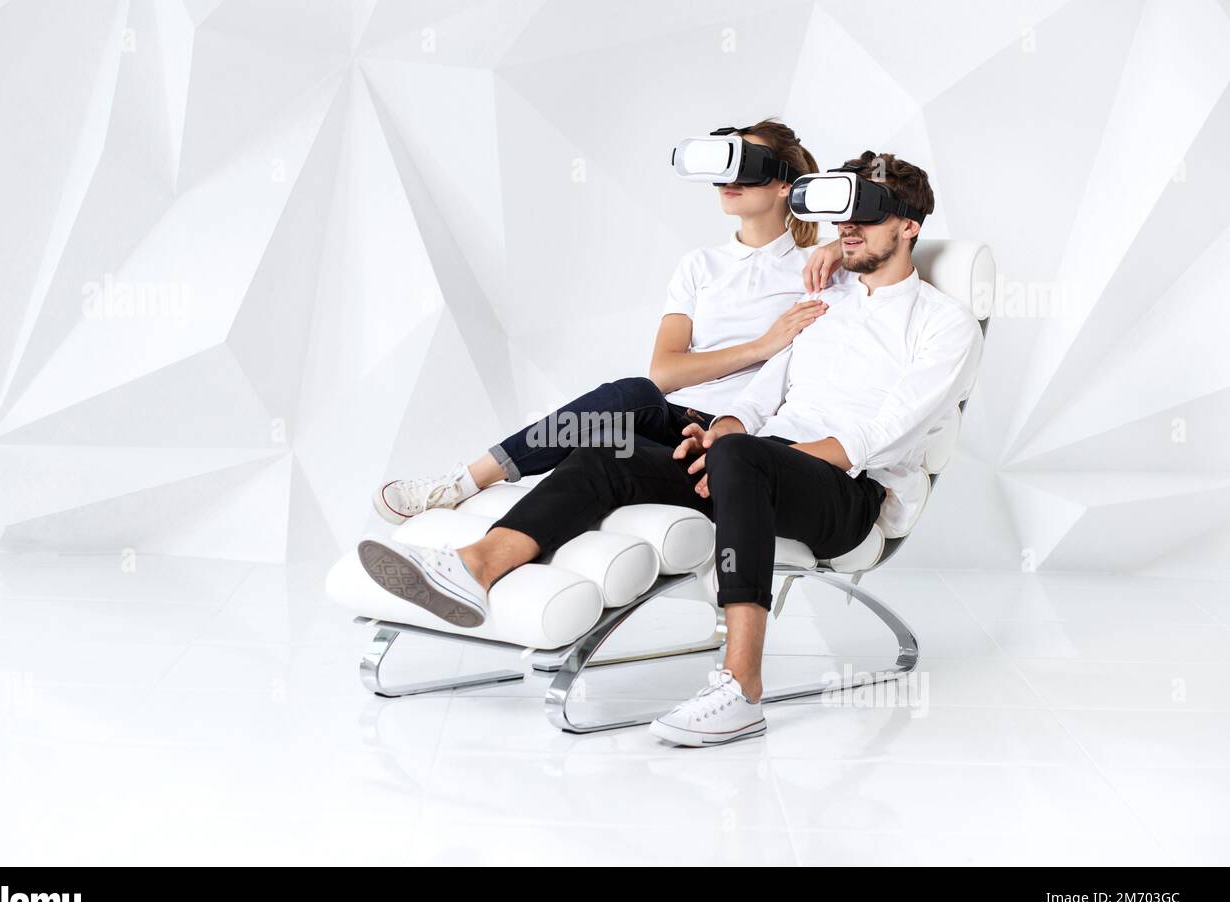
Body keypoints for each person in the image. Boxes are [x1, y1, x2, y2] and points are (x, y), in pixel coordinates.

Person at [356, 150, 985, 747]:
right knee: (612, 453)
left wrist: (748, 457)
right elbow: (765, 394)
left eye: (865, 217)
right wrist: (724, 433)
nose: (847, 229)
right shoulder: (827, 297)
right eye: (841, 215)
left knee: (742, 454)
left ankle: (741, 688)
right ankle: (477, 565)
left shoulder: (943, 323)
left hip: (845, 496)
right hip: (758, 464)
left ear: (908, 227)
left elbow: (876, 440)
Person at [372, 119, 846, 523]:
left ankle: (524, 469)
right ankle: (460, 484)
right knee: (631, 395)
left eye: (748, 167)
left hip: (732, 435)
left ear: (786, 183)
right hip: (666, 418)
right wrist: (761, 346)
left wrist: (838, 245)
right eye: (725, 165)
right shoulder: (699, 266)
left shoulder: (816, 268)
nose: (729, 180)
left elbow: (897, 241)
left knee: (604, 428)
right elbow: (665, 373)